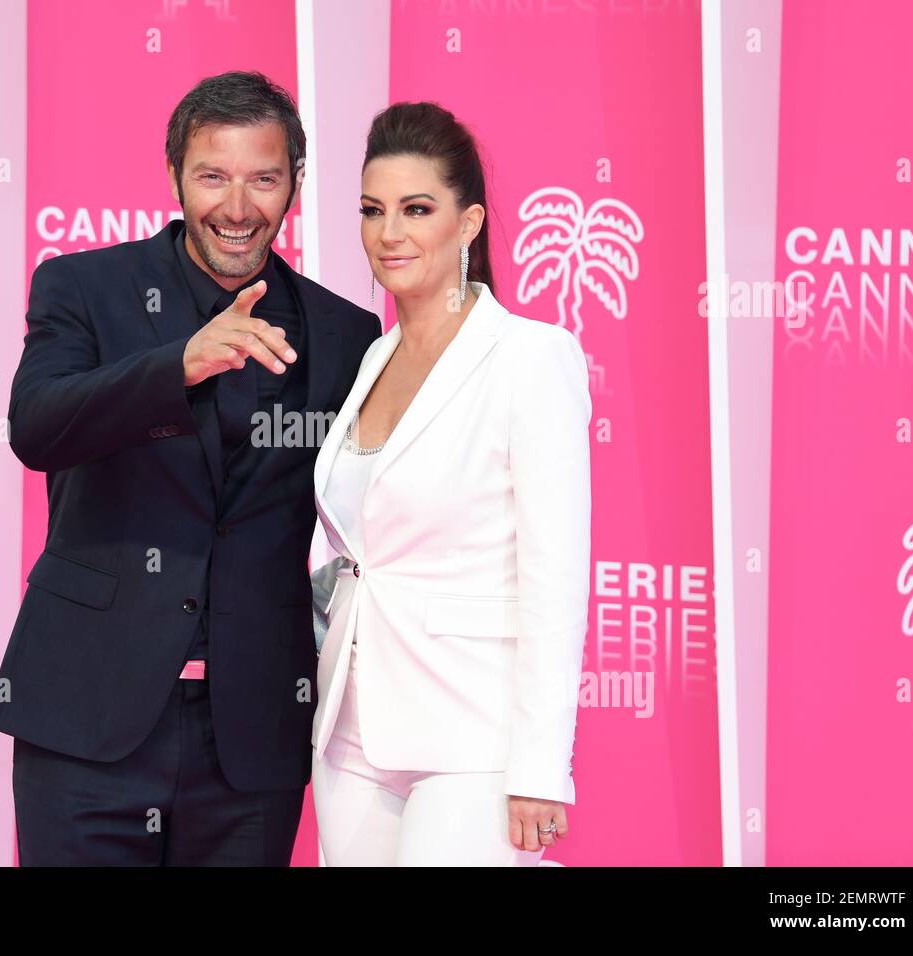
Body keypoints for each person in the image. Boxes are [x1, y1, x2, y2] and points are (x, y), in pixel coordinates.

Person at [0, 71, 381, 865]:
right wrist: (181, 365)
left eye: (264, 178)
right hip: (87, 724)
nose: (237, 208)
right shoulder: (85, 288)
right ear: (174, 176)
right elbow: (36, 425)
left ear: (295, 185)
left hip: (251, 742)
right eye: (213, 176)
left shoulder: (346, 334)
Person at [309, 102, 593, 866]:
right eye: (372, 210)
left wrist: (541, 765)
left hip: (475, 736)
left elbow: (555, 575)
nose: (388, 232)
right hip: (351, 733)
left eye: (416, 209)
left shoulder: (531, 357)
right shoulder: (373, 360)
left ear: (467, 225)